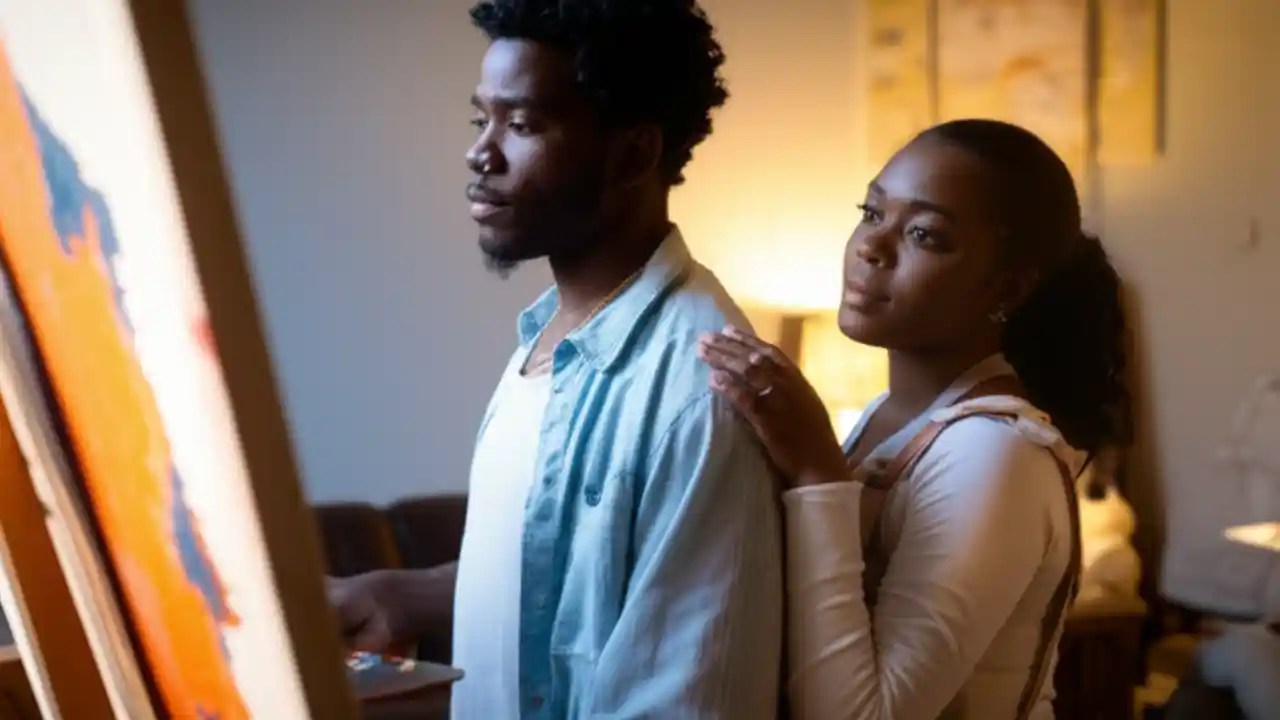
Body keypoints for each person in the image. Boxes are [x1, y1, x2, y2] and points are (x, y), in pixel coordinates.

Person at [329, 1, 783, 718]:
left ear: (634, 153)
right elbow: (570, 578)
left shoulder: (696, 392)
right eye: (480, 119)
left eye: (524, 124)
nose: (481, 154)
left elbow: (685, 701)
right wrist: (406, 593)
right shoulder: (549, 341)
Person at [699, 119, 1133, 719]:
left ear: (1006, 287)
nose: (871, 247)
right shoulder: (892, 417)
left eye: (926, 235)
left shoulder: (994, 453)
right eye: (872, 212)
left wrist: (818, 474)